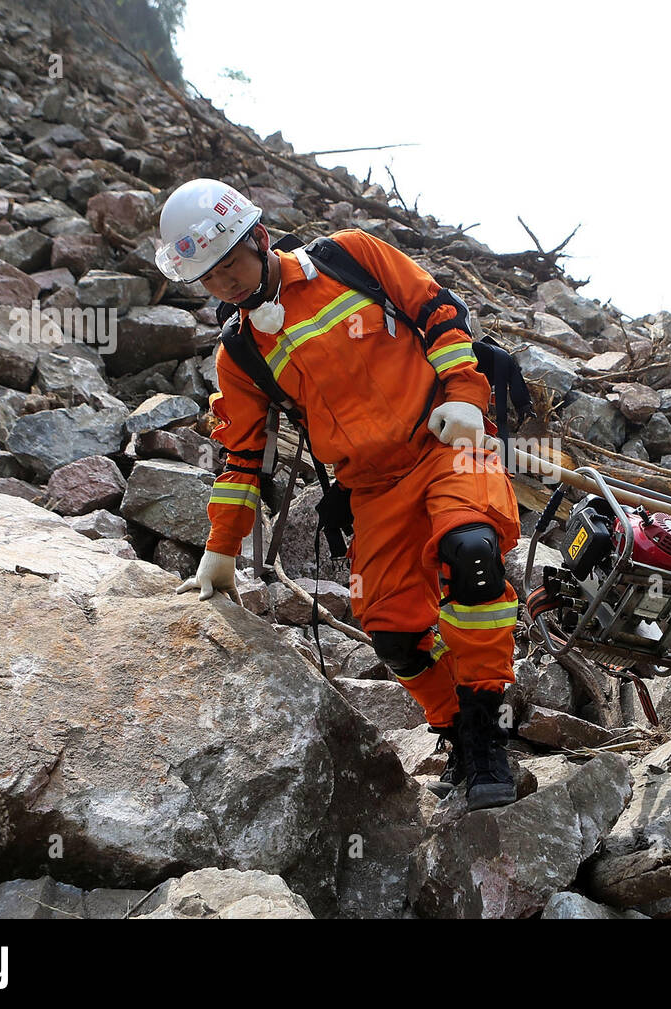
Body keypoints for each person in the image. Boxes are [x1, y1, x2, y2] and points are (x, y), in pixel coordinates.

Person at [157, 179, 520, 811]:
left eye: (229, 265)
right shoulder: (240, 354)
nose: (224, 285)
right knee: (392, 633)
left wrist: (464, 393)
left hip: (447, 445)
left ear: (259, 239)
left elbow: (438, 310)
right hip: (372, 488)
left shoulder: (351, 256)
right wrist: (220, 551)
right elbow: (241, 456)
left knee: (471, 552)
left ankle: (489, 733)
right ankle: (456, 729)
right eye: (207, 279)